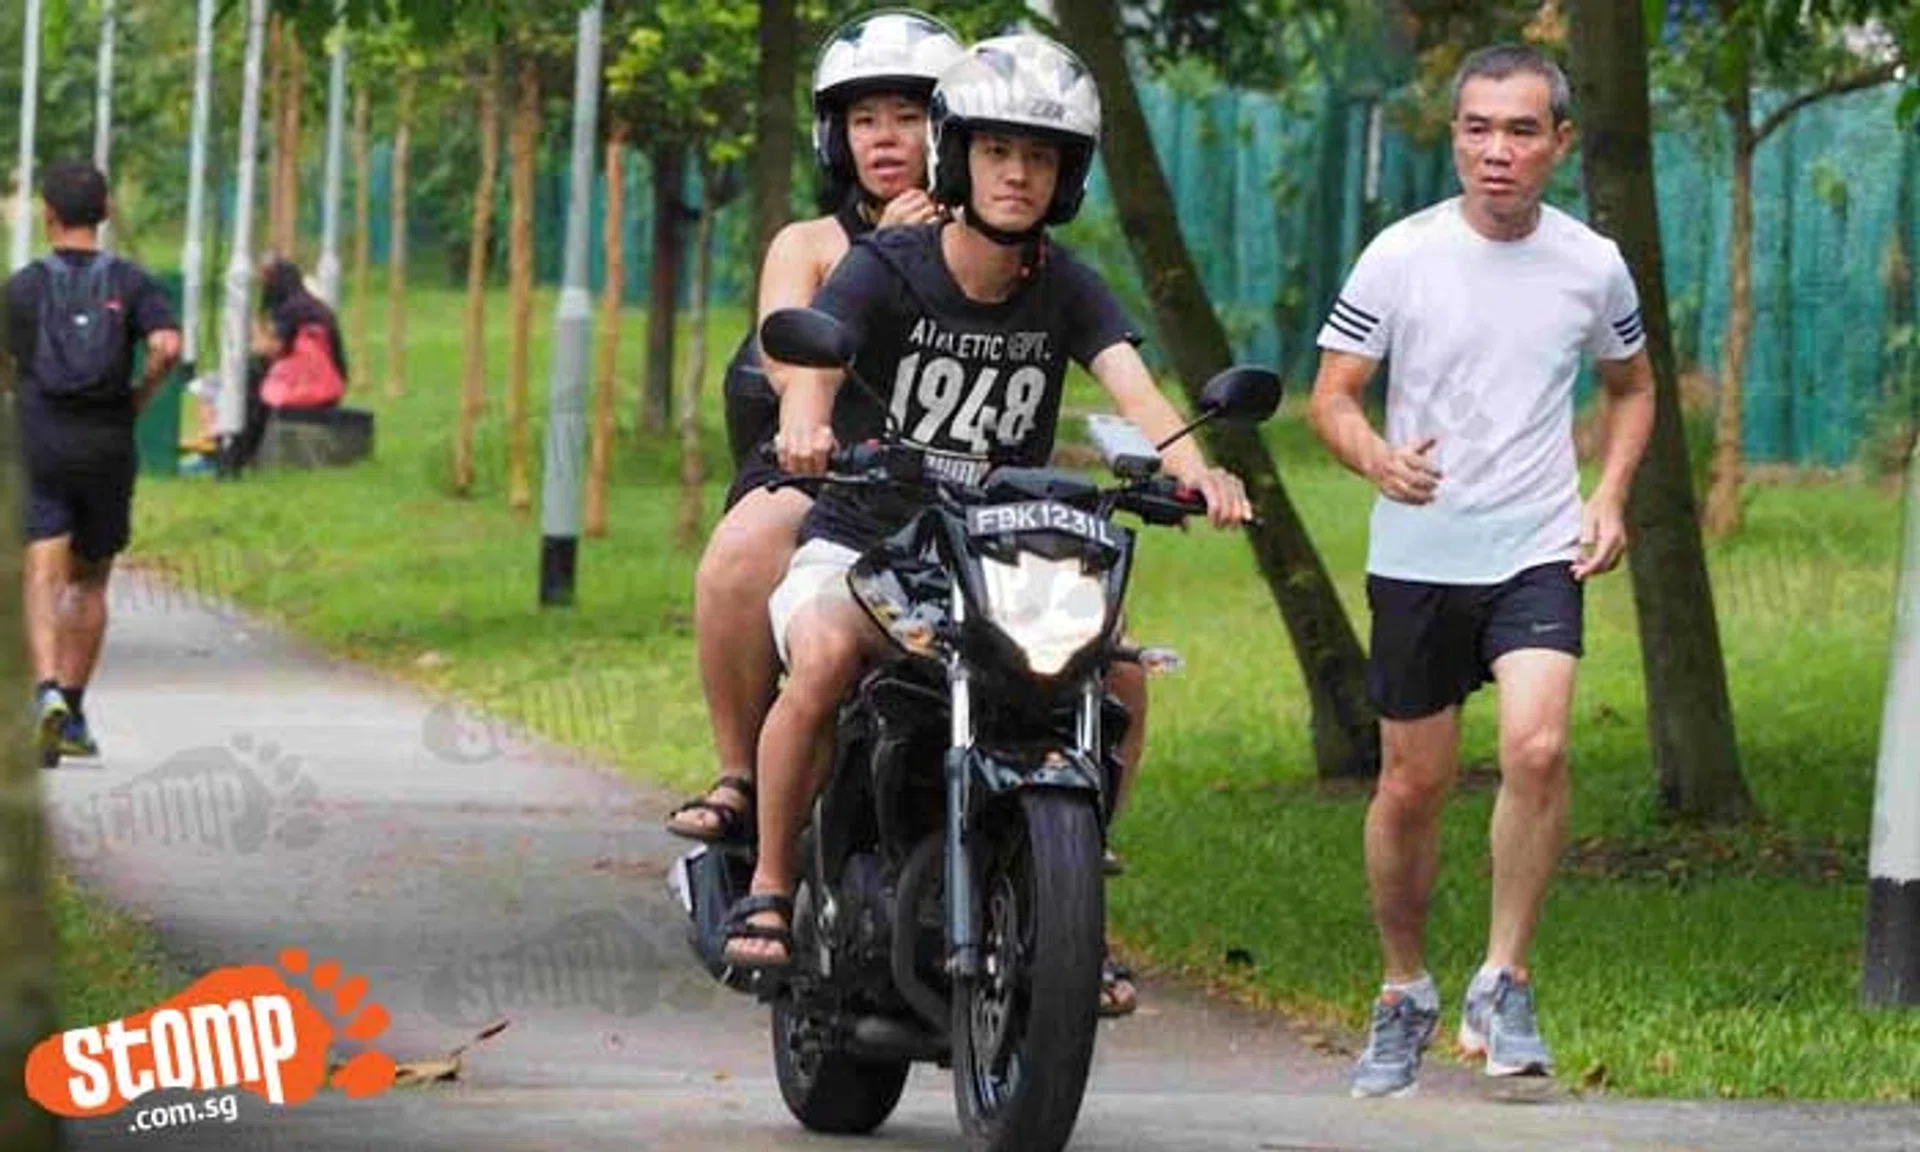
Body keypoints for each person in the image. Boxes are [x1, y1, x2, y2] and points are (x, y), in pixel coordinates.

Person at [719, 35, 1254, 1020]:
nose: (1018, 174)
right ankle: (770, 883)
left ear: (1067, 176)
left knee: (1118, 676)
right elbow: (814, 359)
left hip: (998, 552)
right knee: (827, 653)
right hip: (863, 540)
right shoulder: (888, 265)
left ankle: (1068, 900)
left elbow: (1140, 393)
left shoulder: (1067, 285)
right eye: (999, 151)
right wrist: (803, 418)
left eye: (1041, 157)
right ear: (957, 155)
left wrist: (1197, 469)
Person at [1304, 43, 1655, 1098]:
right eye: (1476, 129)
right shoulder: (1399, 256)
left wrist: (1608, 497)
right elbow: (1332, 396)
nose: (1496, 152)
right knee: (1414, 783)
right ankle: (1404, 986)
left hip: (1537, 547)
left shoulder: (1592, 263)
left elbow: (1633, 391)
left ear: (1558, 143)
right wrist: (1375, 456)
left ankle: (1503, 977)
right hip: (1420, 556)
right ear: (1454, 137)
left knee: (1539, 748)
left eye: (1519, 131)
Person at [664, 10, 964, 845]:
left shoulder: (992, 243)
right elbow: (786, 352)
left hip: (956, 479)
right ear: (836, 138)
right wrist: (884, 262)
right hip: (827, 467)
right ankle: (742, 777)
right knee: (742, 549)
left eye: (908, 117)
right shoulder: (809, 243)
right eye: (865, 120)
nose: (886, 138)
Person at [4, 161, 182, 764]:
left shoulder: (23, 287)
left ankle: (46, 691)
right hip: (107, 444)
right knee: (89, 579)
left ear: (48, 215)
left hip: (41, 438)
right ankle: (74, 713)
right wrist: (139, 396)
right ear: (104, 214)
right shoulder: (132, 283)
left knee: (42, 568)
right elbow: (167, 347)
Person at [229, 257, 348, 471]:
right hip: (332, 383)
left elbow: (271, 349)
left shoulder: (290, 309)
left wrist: (252, 328)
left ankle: (239, 453)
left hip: (305, 385)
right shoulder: (314, 306)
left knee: (250, 381)